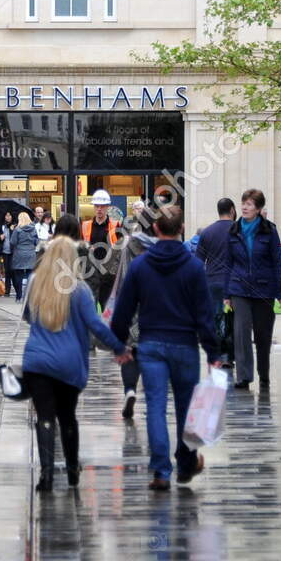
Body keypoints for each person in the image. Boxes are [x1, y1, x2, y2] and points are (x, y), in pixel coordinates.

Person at [109, 205, 222, 491]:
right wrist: (213, 352)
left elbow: (123, 309)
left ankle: (161, 470)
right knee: (185, 407)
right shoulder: (193, 266)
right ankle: (185, 462)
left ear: (156, 229)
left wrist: (119, 345)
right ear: (181, 229)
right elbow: (204, 314)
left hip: (151, 344)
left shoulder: (140, 266)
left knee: (155, 407)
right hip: (185, 344)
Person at [24, 236, 131, 492]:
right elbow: (95, 325)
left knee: (44, 417)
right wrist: (118, 347)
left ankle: (46, 474)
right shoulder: (80, 289)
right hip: (68, 362)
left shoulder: (35, 283)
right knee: (67, 417)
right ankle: (72, 469)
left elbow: (28, 316)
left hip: (37, 362)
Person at [225, 188, 281, 392]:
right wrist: (226, 293)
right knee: (241, 332)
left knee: (263, 334)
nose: (244, 207)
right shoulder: (233, 230)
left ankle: (264, 374)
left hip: (264, 289)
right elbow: (228, 263)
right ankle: (243, 376)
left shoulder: (269, 230)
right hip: (239, 288)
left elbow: (277, 262)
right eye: (243, 203)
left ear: (258, 209)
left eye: (249, 204)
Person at [105, 202, 160, 420]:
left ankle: (129, 389)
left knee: (129, 349)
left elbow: (115, 269)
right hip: (155, 306)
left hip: (131, 302)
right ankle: (153, 394)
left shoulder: (128, 243)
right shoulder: (161, 247)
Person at [194, 198, 236, 369]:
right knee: (232, 319)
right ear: (232, 210)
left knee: (216, 319)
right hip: (234, 282)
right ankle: (229, 356)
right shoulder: (238, 230)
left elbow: (198, 261)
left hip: (212, 281)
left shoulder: (207, 232)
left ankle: (217, 354)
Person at [80, 189, 123, 308]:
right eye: (97, 206)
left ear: (107, 207)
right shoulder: (85, 225)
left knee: (108, 307)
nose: (99, 209)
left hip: (108, 274)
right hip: (91, 272)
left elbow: (121, 249)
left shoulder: (115, 225)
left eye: (102, 206)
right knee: (90, 306)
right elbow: (81, 247)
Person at [8, 213, 38, 300]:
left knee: (18, 276)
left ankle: (19, 296)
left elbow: (13, 242)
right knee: (30, 274)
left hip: (19, 254)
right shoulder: (33, 229)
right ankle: (28, 295)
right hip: (31, 253)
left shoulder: (17, 229)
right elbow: (36, 242)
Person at [0, 211, 16, 296]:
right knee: (7, 271)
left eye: (9, 215)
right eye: (6, 215)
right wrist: (0, 238)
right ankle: (7, 291)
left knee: (13, 271)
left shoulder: (15, 226)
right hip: (5, 251)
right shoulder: (2, 226)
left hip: (13, 252)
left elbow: (16, 239)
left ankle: (17, 289)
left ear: (12, 217)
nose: (8, 217)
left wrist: (12, 230)